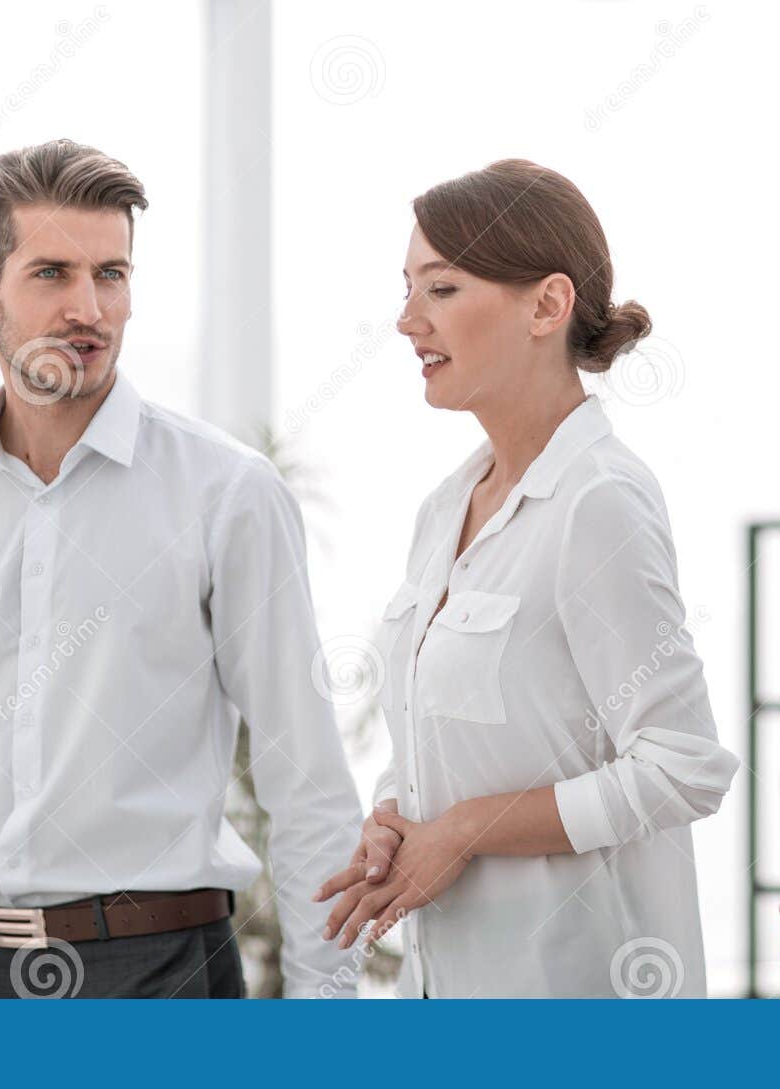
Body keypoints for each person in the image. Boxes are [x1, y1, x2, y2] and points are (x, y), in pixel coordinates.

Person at [0, 139, 361, 999]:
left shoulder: (228, 493)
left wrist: (330, 1010)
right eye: (52, 273)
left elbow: (306, 780)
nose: (89, 308)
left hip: (168, 977)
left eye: (113, 274)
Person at [314, 160, 739, 997]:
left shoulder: (599, 502)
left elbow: (683, 766)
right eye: (406, 288)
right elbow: (453, 731)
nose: (405, 321)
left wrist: (470, 829)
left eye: (439, 288)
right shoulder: (444, 509)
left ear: (547, 305)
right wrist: (401, 818)